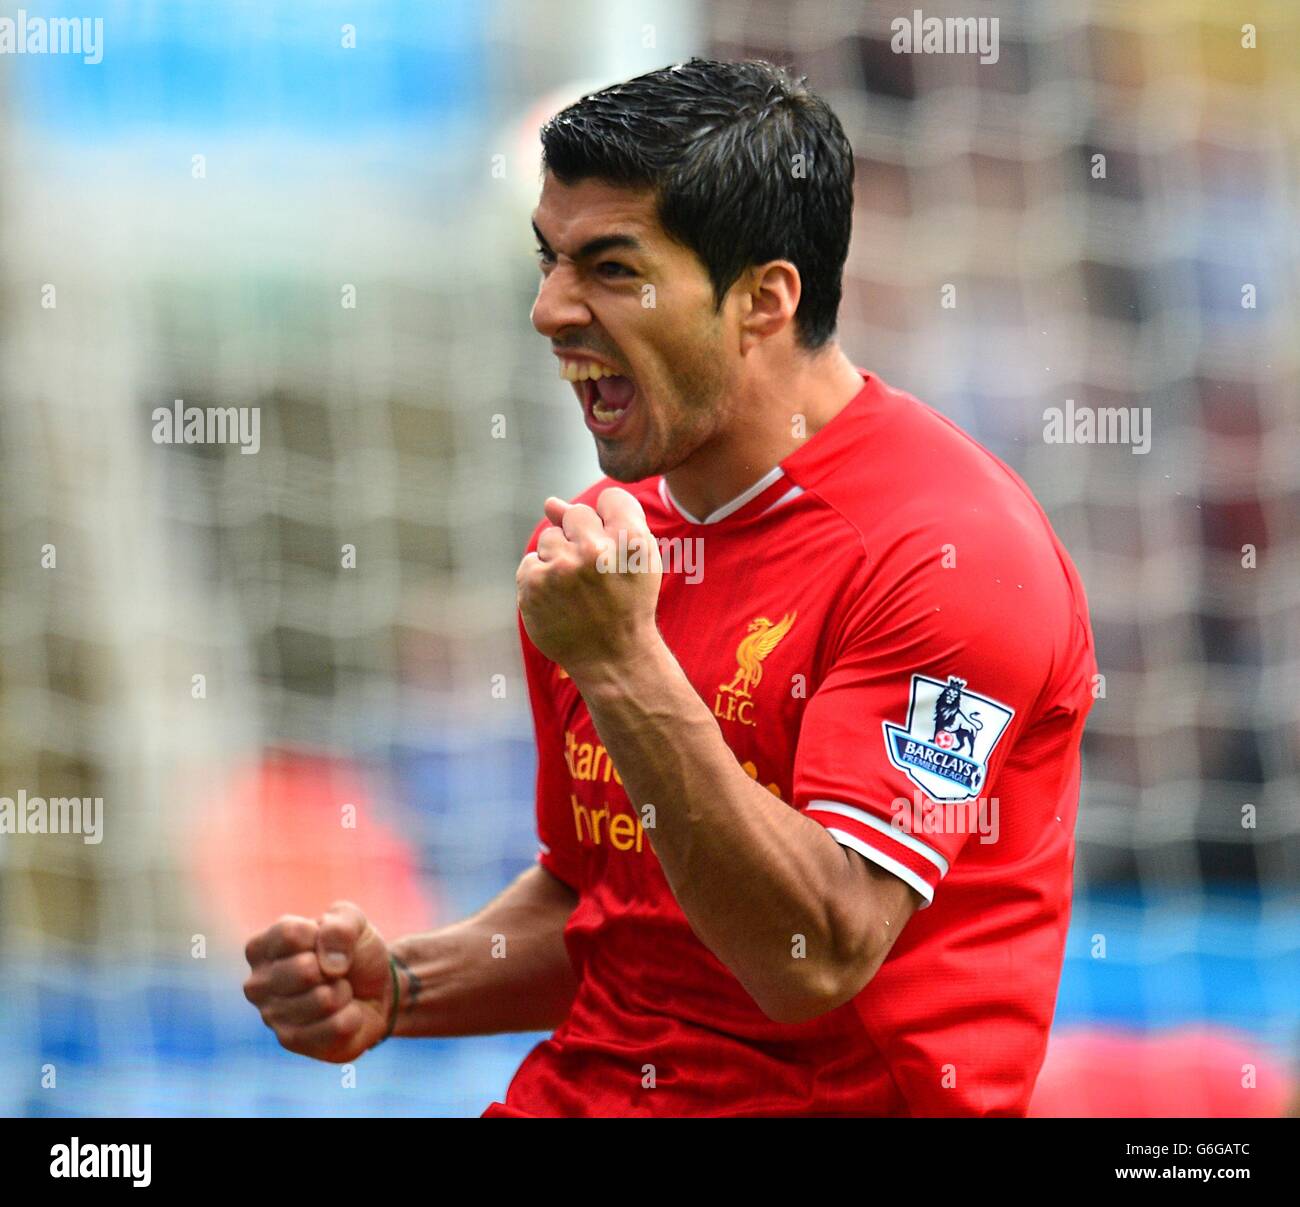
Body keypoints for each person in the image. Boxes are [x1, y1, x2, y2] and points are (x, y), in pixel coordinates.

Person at [243, 58, 1097, 1116]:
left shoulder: (951, 553)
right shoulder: (607, 552)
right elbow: (610, 908)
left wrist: (621, 662)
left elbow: (814, 951)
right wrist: (407, 984)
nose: (550, 310)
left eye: (609, 268)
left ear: (763, 300)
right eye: (549, 261)